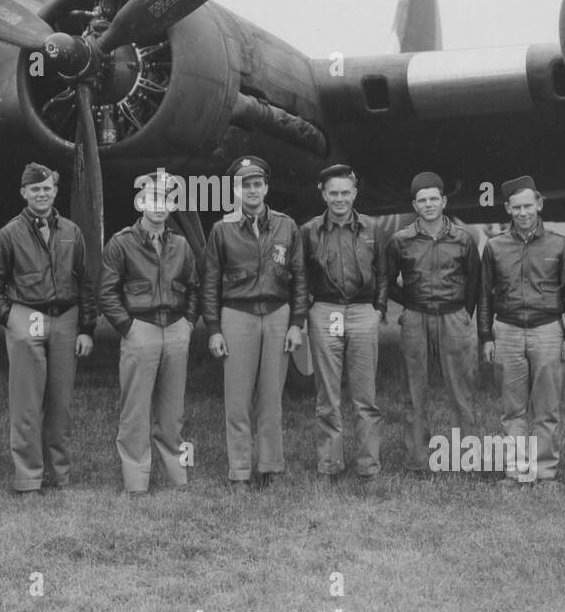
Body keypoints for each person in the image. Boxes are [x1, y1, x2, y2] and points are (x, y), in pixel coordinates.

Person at [0, 163, 96, 494]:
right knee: (27, 404)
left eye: (46, 188)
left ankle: (59, 475)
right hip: (27, 315)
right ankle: (29, 477)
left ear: (55, 191)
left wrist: (86, 328)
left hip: (66, 319)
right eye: (35, 189)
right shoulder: (9, 233)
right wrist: (10, 318)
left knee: (61, 403)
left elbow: (85, 282)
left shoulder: (72, 231)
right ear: (24, 193)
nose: (41, 194)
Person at [202, 156, 308, 488]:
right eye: (244, 185)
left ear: (266, 187)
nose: (252, 190)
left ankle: (270, 466)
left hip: (277, 314)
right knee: (237, 399)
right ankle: (239, 470)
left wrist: (296, 322)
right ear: (235, 189)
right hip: (237, 314)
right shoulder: (222, 229)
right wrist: (214, 329)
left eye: (257, 184)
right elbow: (210, 282)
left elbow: (300, 278)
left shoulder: (286, 226)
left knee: (272, 397)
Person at [99, 170, 200, 495]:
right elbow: (107, 292)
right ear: (140, 201)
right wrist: (127, 327)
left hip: (175, 329)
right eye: (152, 198)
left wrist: (187, 323)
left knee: (173, 411)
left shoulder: (182, 245)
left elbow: (194, 287)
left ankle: (177, 474)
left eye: (166, 199)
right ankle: (136, 479)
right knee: (136, 410)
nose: (159, 206)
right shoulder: (121, 243)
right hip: (140, 329)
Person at [478, 175, 565, 486]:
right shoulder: (495, 247)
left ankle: (545, 471)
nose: (523, 213)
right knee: (512, 409)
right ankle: (515, 470)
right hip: (508, 331)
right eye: (516, 207)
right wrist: (486, 336)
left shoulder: (558, 245)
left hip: (548, 330)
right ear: (508, 209)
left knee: (546, 408)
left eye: (528, 206)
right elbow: (484, 295)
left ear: (539, 204)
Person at [385, 171, 481, 473]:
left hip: (454, 316)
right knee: (415, 391)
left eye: (433, 199)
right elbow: (387, 281)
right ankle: (418, 460)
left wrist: (462, 312)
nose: (428, 205)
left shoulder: (463, 239)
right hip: (416, 317)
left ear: (444, 201)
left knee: (462, 390)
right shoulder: (400, 241)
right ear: (415, 205)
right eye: (422, 200)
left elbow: (474, 282)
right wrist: (412, 302)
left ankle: (467, 457)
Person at [299, 164, 387, 486]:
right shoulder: (308, 230)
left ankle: (368, 467)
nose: (339, 199)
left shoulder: (372, 228)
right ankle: (329, 465)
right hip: (325, 310)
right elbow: (301, 275)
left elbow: (384, 273)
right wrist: (308, 310)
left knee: (366, 396)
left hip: (363, 310)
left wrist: (378, 308)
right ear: (323, 194)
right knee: (328, 395)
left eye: (345, 192)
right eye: (333, 193)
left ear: (355, 193)